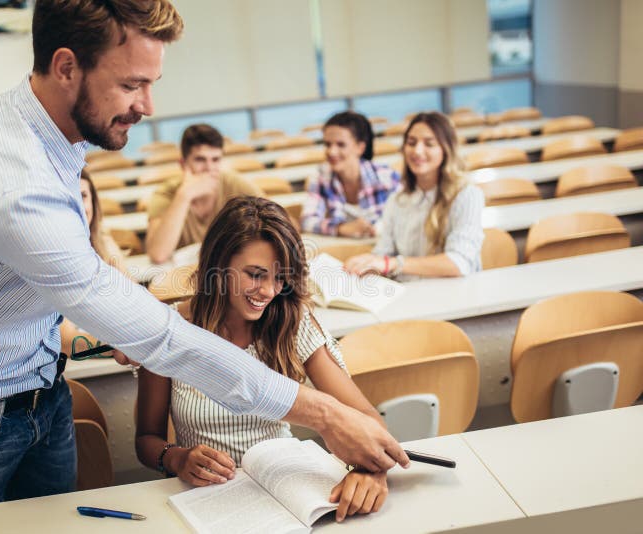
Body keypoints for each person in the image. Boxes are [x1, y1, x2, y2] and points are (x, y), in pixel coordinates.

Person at [0, 0, 407, 523]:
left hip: (42, 393)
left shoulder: (45, 132)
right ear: (66, 67)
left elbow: (50, 279)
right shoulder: (14, 183)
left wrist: (114, 319)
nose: (148, 106)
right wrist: (325, 415)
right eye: (132, 84)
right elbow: (163, 340)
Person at [136, 196, 390, 522]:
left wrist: (370, 471)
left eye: (280, 277)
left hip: (285, 492)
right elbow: (147, 440)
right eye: (255, 275)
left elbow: (366, 418)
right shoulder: (169, 330)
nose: (269, 291)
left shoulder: (292, 322)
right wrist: (177, 458)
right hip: (209, 500)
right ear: (219, 265)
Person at [344, 112, 484, 281]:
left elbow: (459, 263)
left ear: (446, 150)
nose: (417, 151)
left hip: (455, 294)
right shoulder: (396, 201)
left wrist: (394, 263)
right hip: (409, 293)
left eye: (429, 144)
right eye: (411, 143)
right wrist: (365, 264)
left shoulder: (467, 195)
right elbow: (383, 254)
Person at [145, 123, 263, 263]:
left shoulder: (235, 184)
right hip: (184, 273)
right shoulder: (165, 194)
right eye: (200, 160)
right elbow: (158, 255)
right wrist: (184, 196)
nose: (209, 168)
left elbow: (275, 223)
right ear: (183, 164)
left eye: (215, 159)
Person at [60, 170, 129, 355]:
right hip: (80, 364)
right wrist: (128, 345)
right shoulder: (44, 260)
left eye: (83, 196)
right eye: (68, 197)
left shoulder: (104, 242)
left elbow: (133, 301)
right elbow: (67, 342)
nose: (78, 205)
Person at [301, 111, 400, 238]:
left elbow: (408, 217)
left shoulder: (387, 177)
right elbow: (307, 221)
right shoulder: (321, 178)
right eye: (328, 144)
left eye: (341, 145)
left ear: (360, 148)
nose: (332, 152)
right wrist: (340, 228)